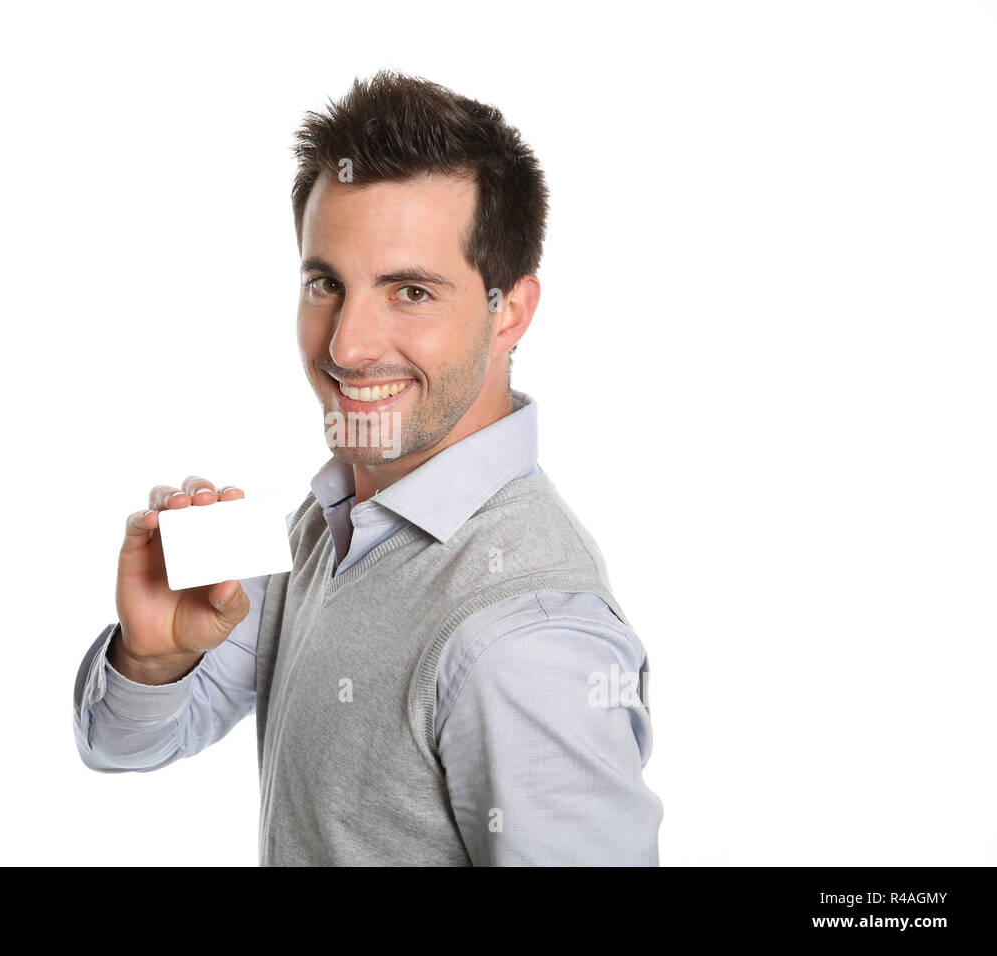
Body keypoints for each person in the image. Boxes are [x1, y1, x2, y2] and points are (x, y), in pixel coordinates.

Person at [73, 70, 663, 866]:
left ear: (509, 311)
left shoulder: (529, 637)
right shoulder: (331, 521)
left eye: (410, 291)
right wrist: (153, 659)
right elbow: (124, 745)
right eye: (327, 284)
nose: (346, 347)